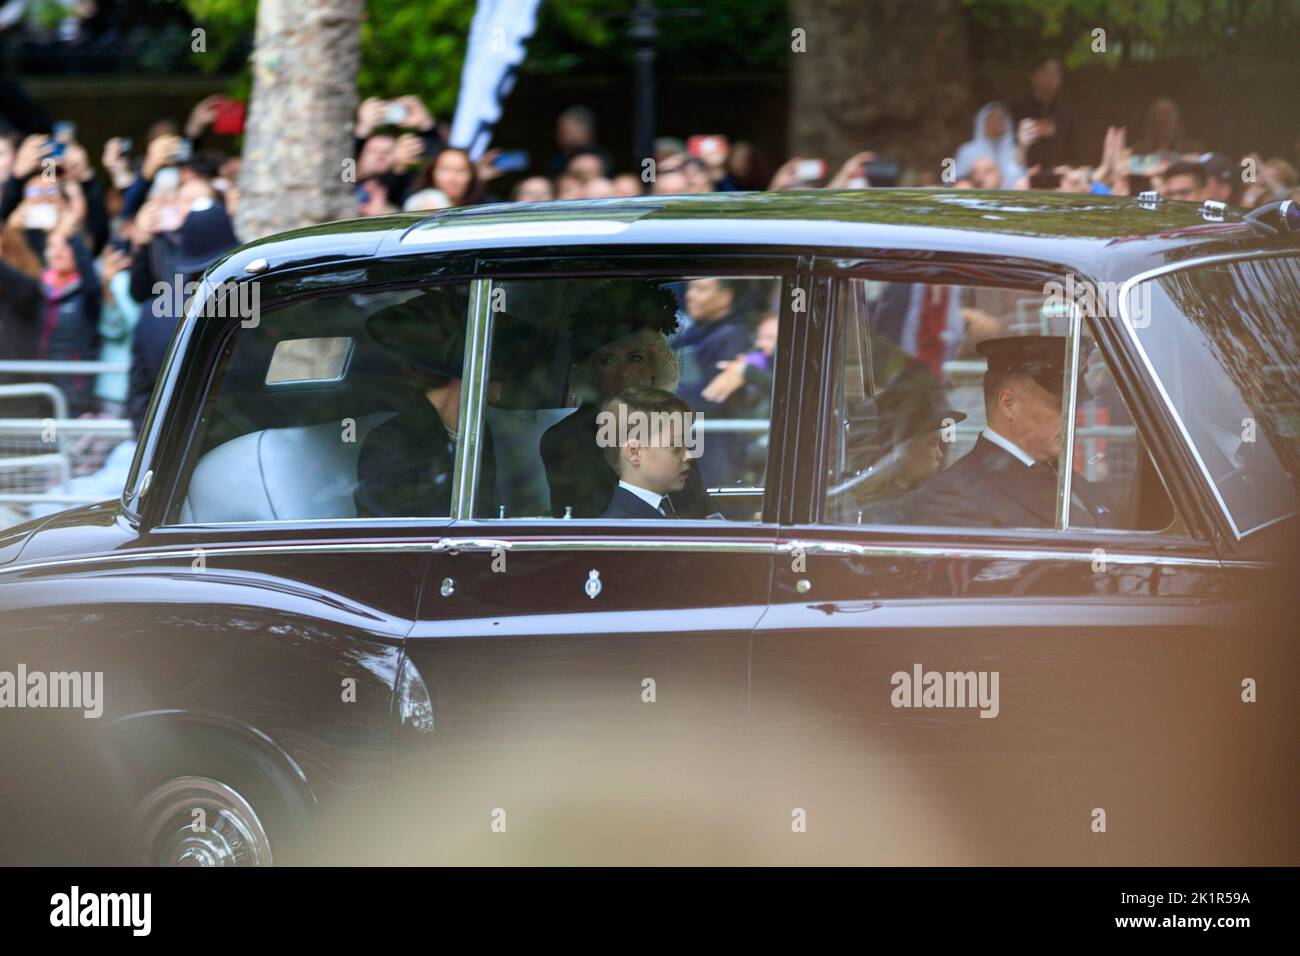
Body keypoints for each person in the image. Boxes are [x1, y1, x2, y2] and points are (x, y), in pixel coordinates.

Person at [540, 279, 717, 518]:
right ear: (593, 373)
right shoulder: (566, 439)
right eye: (607, 361)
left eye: (635, 358)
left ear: (655, 366)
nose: (623, 373)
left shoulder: (667, 428)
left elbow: (699, 509)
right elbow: (593, 533)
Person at [901, 335, 1117, 529]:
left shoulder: (1058, 472)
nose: (1072, 419)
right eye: (1059, 406)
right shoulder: (954, 498)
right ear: (1008, 404)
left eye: (1073, 407)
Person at [355, 288, 498, 518]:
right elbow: (390, 541)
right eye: (493, 356)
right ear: (465, 370)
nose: (503, 370)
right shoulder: (391, 443)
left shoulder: (476, 430)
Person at [599, 385, 696, 520]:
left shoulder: (668, 507)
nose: (689, 455)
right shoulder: (627, 531)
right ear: (634, 453)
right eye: (676, 445)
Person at [1009, 57, 1077, 169]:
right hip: (1021, 175)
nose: (1052, 79)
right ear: (1033, 76)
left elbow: (1072, 151)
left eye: (1056, 74)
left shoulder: (1065, 113)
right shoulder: (1015, 108)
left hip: (1056, 175)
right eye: (1047, 73)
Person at [954, 102, 1025, 190]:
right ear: (982, 123)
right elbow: (955, 181)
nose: (995, 125)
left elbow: (1021, 178)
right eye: (991, 120)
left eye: (999, 120)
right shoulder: (967, 150)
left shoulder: (1015, 151)